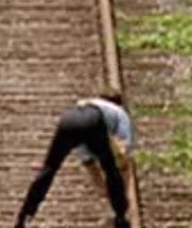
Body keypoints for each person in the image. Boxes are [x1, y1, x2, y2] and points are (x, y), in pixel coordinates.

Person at [15, 92, 136, 228]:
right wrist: (121, 196)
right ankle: (120, 218)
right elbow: (123, 155)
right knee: (111, 170)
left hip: (68, 119)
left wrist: (105, 190)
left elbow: (89, 164)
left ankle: (24, 216)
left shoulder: (89, 105)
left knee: (49, 169)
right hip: (93, 121)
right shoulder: (120, 113)